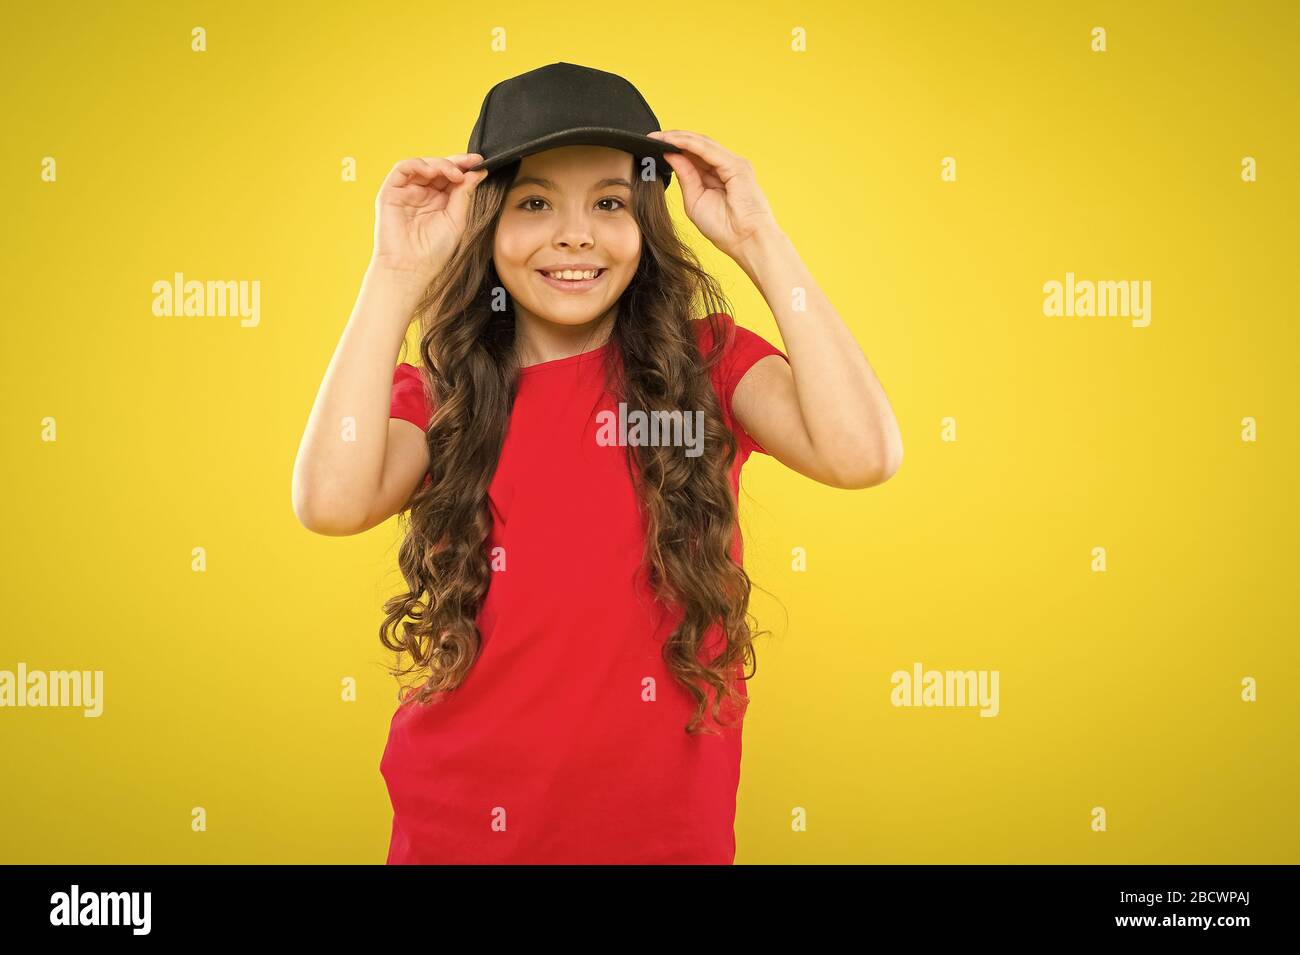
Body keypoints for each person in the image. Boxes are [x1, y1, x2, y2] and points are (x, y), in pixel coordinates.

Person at [291, 63, 902, 864]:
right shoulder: (440, 399)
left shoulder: (709, 367)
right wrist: (395, 273)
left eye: (609, 203)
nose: (574, 234)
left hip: (661, 841)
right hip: (461, 835)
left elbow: (863, 453)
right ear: (485, 224)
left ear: (647, 224)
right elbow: (329, 502)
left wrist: (759, 238)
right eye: (535, 202)